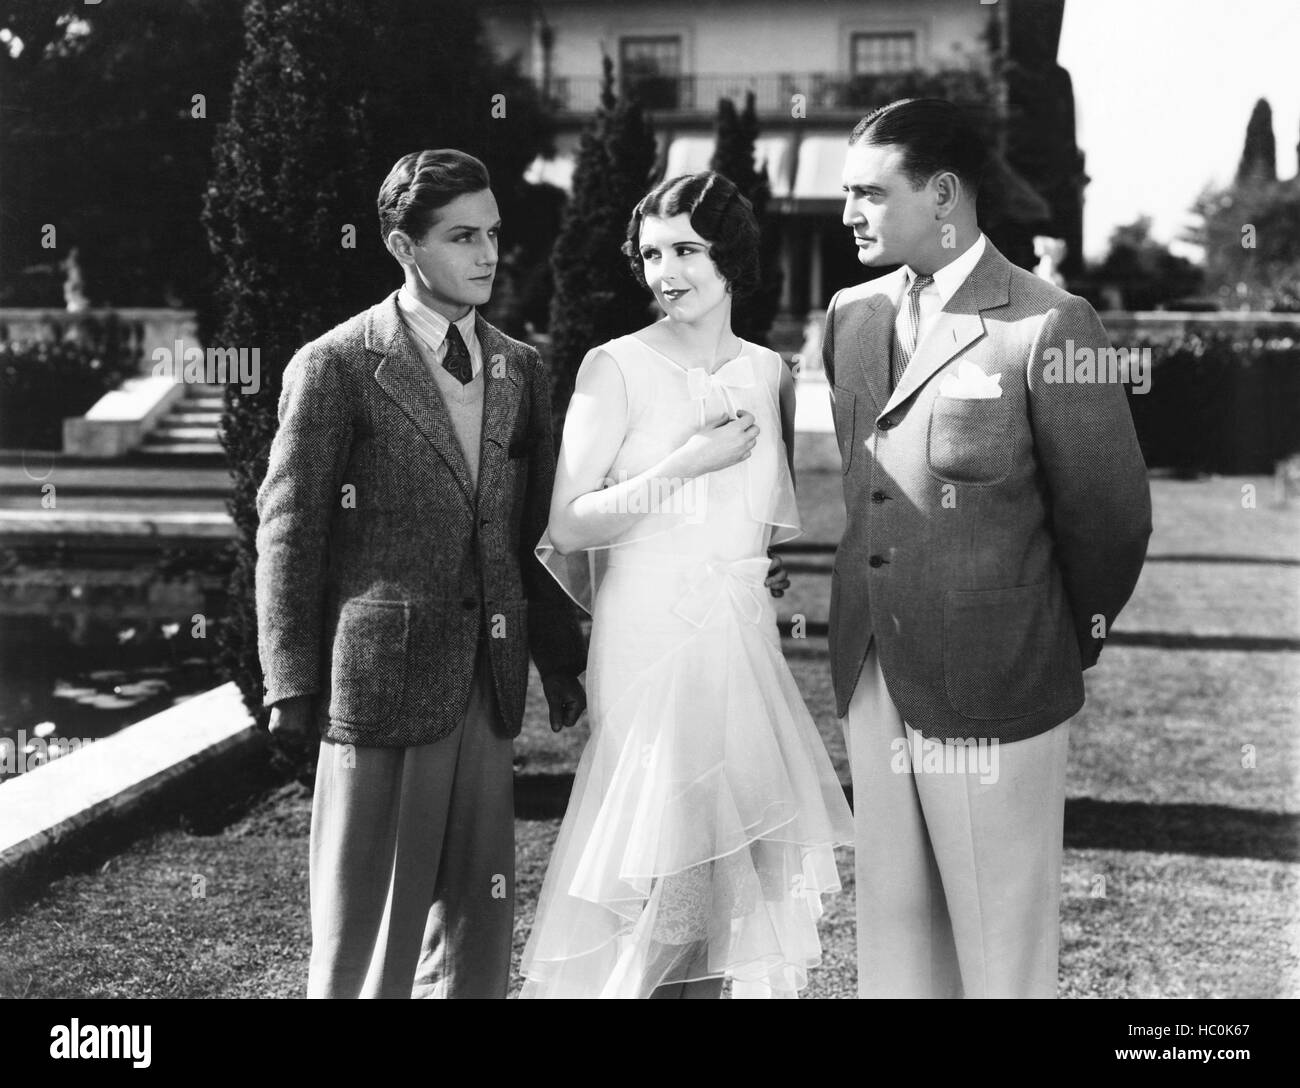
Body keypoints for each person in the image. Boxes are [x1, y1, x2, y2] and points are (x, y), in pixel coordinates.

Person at [824, 98, 1152, 998]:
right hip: (872, 670)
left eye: (866, 192)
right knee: (896, 951)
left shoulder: (1050, 322)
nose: (847, 213)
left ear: (940, 194)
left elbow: (1112, 518)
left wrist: (1055, 636)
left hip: (998, 678)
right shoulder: (849, 316)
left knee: (1000, 958)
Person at [256, 148, 587, 999]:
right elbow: (289, 532)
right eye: (462, 236)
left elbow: (532, 526)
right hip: (380, 682)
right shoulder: (334, 365)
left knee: (479, 920)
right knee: (369, 921)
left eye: (494, 235)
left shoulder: (522, 365)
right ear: (405, 247)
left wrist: (557, 657)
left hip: (490, 679)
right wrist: (289, 682)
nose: (487, 255)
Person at [519, 171, 853, 999]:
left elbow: (755, 516)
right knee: (662, 877)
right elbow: (566, 526)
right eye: (653, 253)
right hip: (648, 639)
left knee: (728, 882)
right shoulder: (616, 367)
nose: (666, 271)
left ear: (730, 255)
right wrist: (683, 466)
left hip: (737, 637)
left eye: (688, 250)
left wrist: (755, 556)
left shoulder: (771, 371)